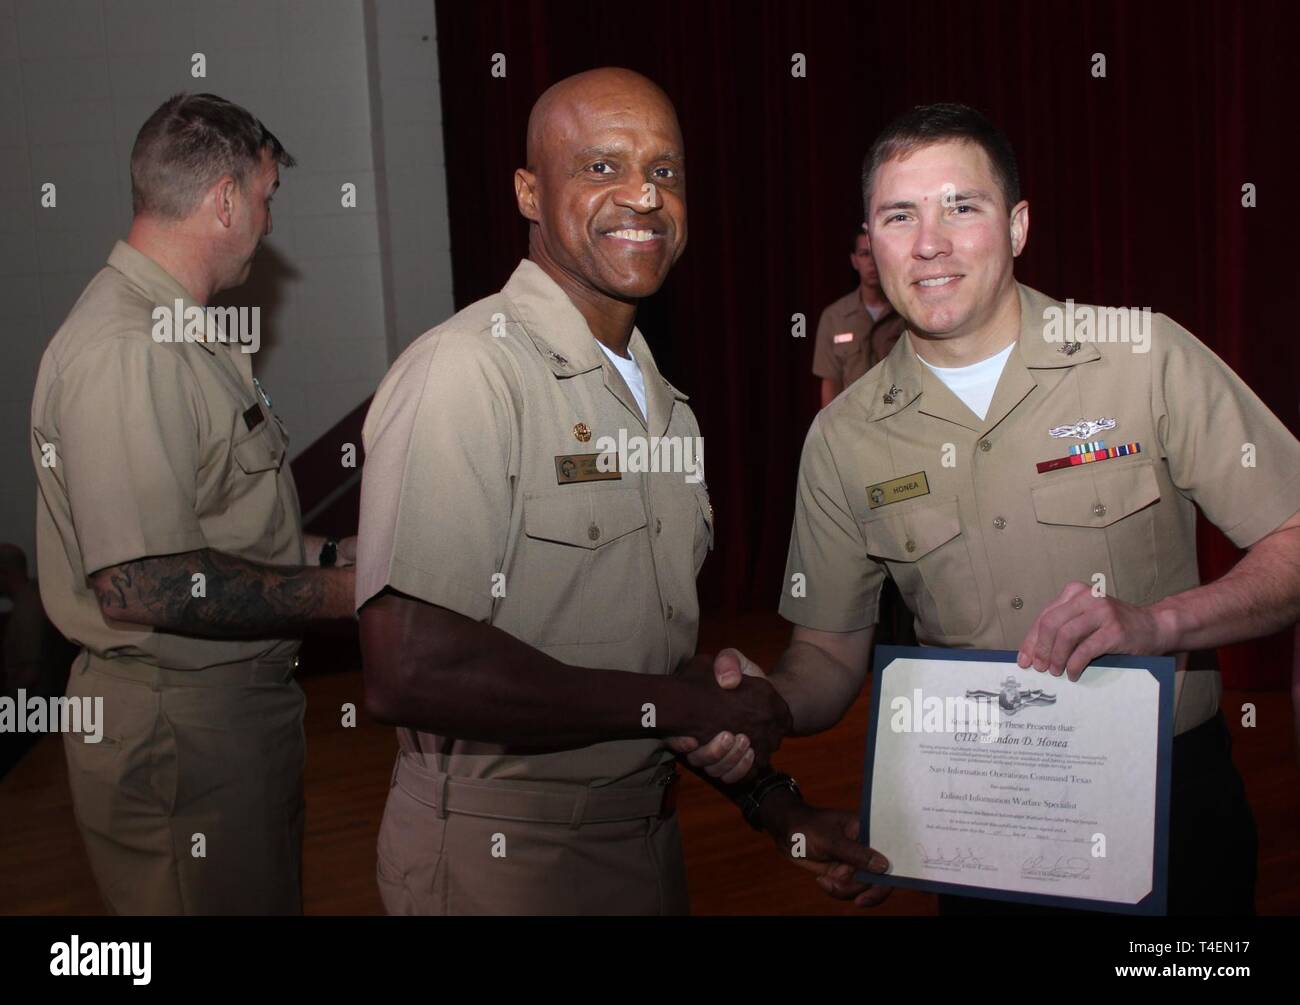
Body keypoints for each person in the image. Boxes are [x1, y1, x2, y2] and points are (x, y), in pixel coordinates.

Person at [699, 102, 1300, 916]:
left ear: (1017, 226)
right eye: (899, 215)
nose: (930, 242)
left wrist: (1160, 626)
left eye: (962, 207)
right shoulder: (843, 437)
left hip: (1165, 797)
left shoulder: (1142, 356)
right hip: (978, 822)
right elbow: (829, 654)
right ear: (870, 242)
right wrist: (764, 702)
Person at [356, 67, 885, 915]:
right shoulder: (468, 370)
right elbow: (409, 665)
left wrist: (777, 808)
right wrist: (672, 698)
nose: (642, 194)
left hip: (643, 841)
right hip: (502, 862)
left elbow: (629, 663)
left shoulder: (664, 409)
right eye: (601, 167)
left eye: (665, 171)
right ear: (530, 192)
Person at [29, 93, 357, 915]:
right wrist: (345, 597)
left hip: (219, 727)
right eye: (265, 196)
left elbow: (218, 516)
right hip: (183, 735)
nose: (269, 223)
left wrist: (331, 555)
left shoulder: (178, 333)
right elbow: (145, 584)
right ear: (222, 199)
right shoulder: (127, 349)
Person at [812, 228, 907, 407]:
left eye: (876, 253)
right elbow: (830, 382)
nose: (871, 262)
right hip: (852, 421)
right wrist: (831, 431)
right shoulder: (835, 316)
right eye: (864, 254)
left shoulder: (907, 312)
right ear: (854, 261)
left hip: (898, 418)